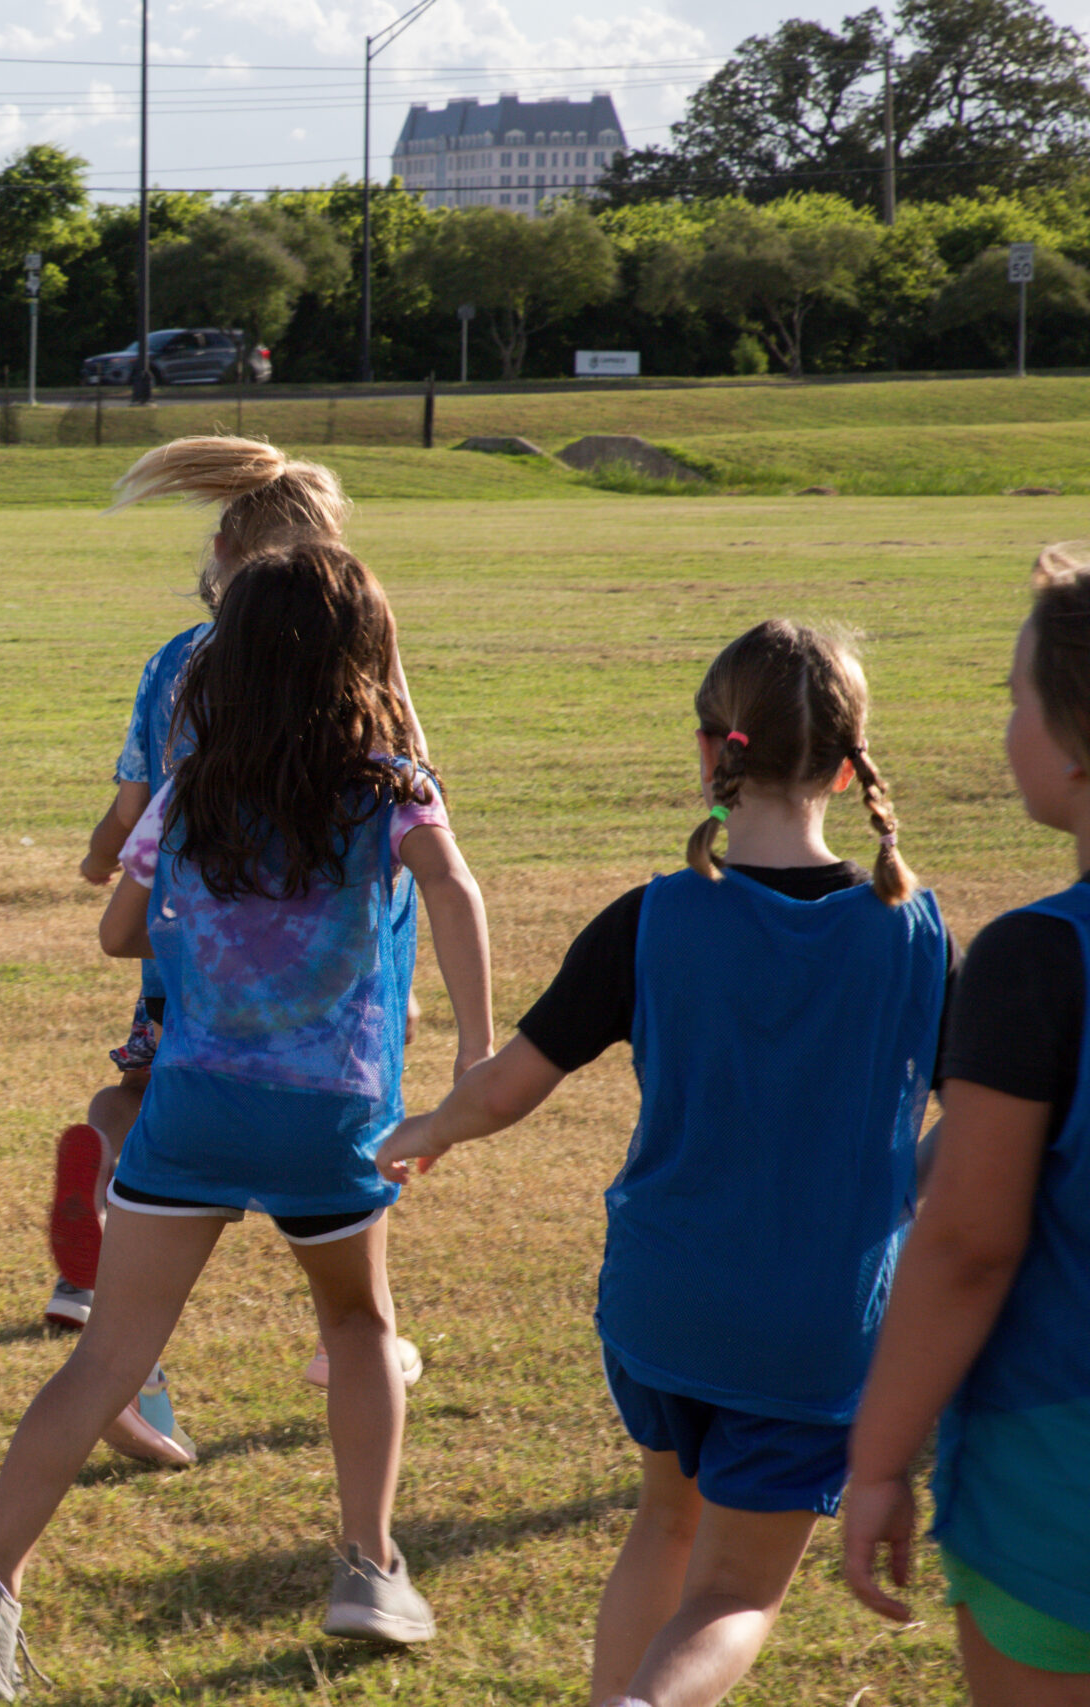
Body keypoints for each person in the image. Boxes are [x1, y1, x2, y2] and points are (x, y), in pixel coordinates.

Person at [0, 540, 491, 1697]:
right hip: (331, 1115)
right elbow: (453, 886)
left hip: (191, 1107)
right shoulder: (391, 786)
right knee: (357, 1326)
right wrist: (474, 1056)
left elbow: (116, 934)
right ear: (365, 659)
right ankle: (368, 1565)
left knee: (105, 1358)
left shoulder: (190, 792)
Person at [380, 619, 946, 1707]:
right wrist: (895, 1187)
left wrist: (428, 1129)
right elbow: (974, 1122)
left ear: (711, 753)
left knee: (666, 1522)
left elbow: (506, 1085)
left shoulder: (652, 917)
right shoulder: (915, 933)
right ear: (846, 768)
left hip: (663, 1303)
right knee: (735, 1594)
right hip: (812, 1324)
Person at [53, 439, 433, 1403]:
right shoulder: (351, 667)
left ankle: (115, 1313)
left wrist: (101, 859)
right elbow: (416, 797)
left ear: (223, 548)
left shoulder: (175, 663)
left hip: (191, 955)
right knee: (339, 1163)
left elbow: (135, 804)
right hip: (328, 978)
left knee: (144, 1108)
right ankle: (358, 1340)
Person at [845, 546, 1090, 1704]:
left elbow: (966, 1245)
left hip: (1058, 1480)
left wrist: (876, 1459)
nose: (1006, 728)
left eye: (1015, 697)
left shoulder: (1036, 960)